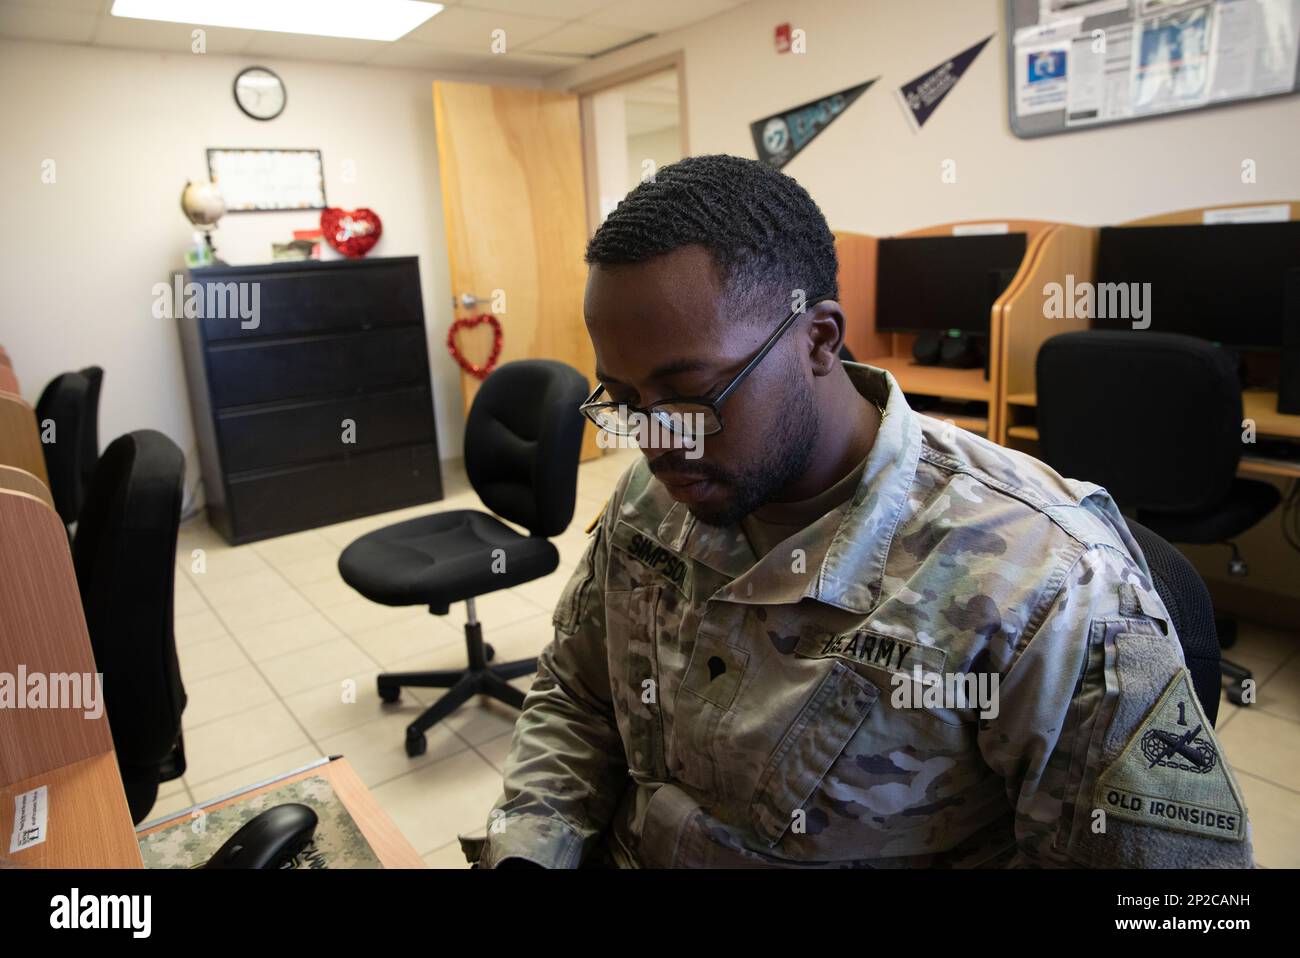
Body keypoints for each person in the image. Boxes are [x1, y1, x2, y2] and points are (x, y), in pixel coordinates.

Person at [467, 153, 1252, 868]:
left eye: (688, 394)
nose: (653, 442)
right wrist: (529, 852)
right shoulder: (659, 490)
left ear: (818, 340)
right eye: (627, 400)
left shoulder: (1048, 584)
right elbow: (577, 695)